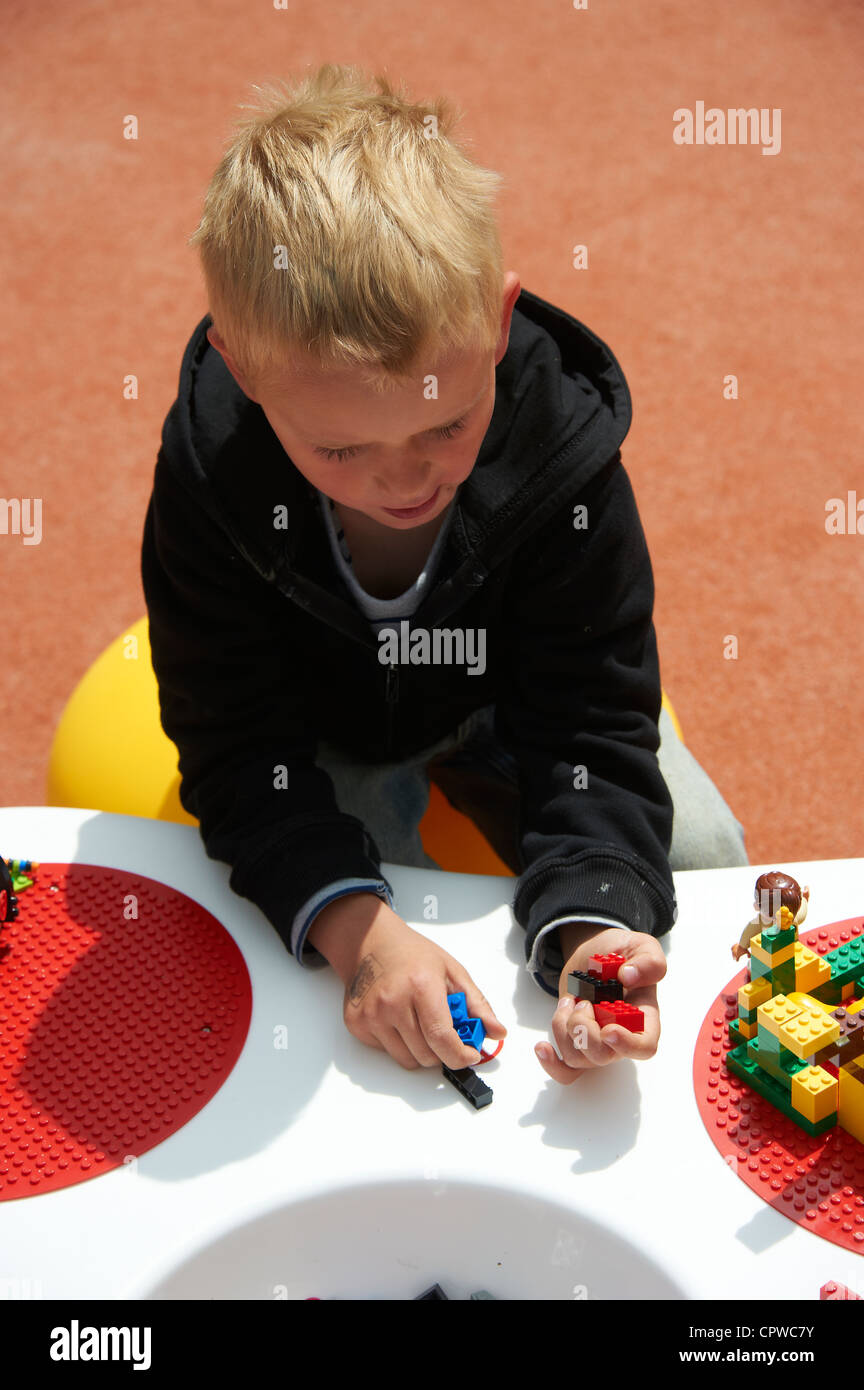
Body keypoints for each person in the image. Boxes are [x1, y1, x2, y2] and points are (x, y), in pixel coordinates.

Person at [141, 63, 748, 1089]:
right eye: (338, 452)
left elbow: (591, 716)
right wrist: (361, 931)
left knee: (697, 852)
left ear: (498, 323)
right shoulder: (213, 475)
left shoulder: (565, 457)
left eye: (447, 422)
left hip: (502, 702)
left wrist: (597, 925)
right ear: (241, 370)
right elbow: (239, 749)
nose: (404, 476)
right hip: (322, 729)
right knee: (351, 976)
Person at [732, 871, 809, 962]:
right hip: (772, 956)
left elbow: (749, 931)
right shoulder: (793, 918)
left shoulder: (762, 921)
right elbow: (803, 912)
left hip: (784, 953)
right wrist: (804, 898)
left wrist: (742, 946)